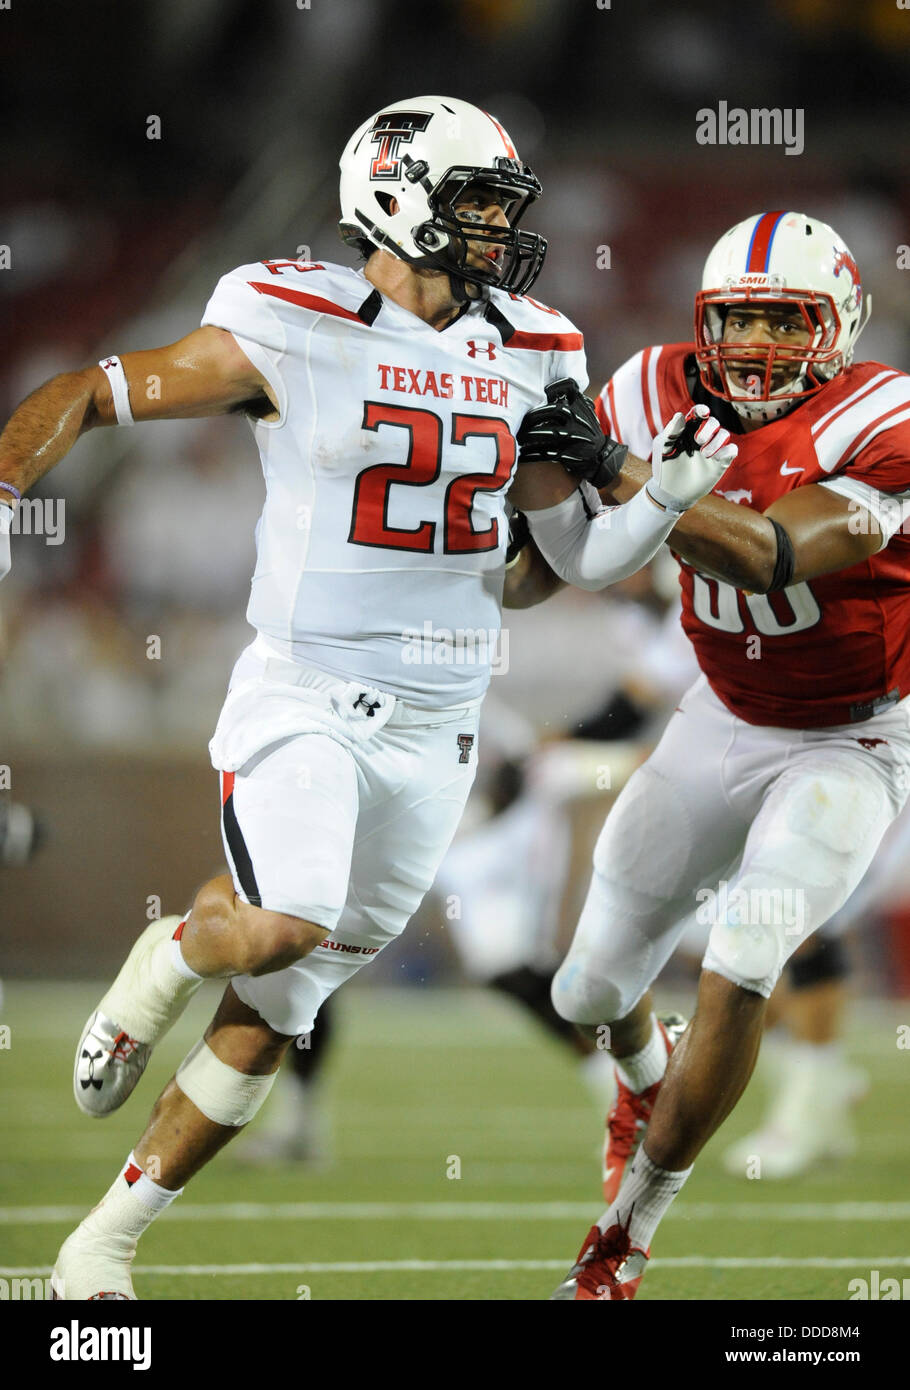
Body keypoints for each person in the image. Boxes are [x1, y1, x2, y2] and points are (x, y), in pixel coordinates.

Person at [0, 95, 732, 1300]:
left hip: (443, 718)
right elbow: (89, 387)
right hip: (308, 688)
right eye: (475, 202)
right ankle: (174, 949)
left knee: (281, 1008)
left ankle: (99, 1249)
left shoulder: (539, 341)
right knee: (278, 920)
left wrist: (653, 501)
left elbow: (565, 568)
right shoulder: (286, 312)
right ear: (395, 195)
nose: (499, 228)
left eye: (504, 204)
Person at [517, 211, 910, 1299]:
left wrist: (617, 466)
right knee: (585, 990)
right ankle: (648, 1076)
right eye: (735, 318)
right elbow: (561, 553)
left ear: (841, 327)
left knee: (745, 953)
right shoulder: (647, 385)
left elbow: (778, 551)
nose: (753, 347)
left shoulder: (885, 418)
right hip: (719, 711)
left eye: (784, 323)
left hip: (854, 738)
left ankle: (624, 1234)